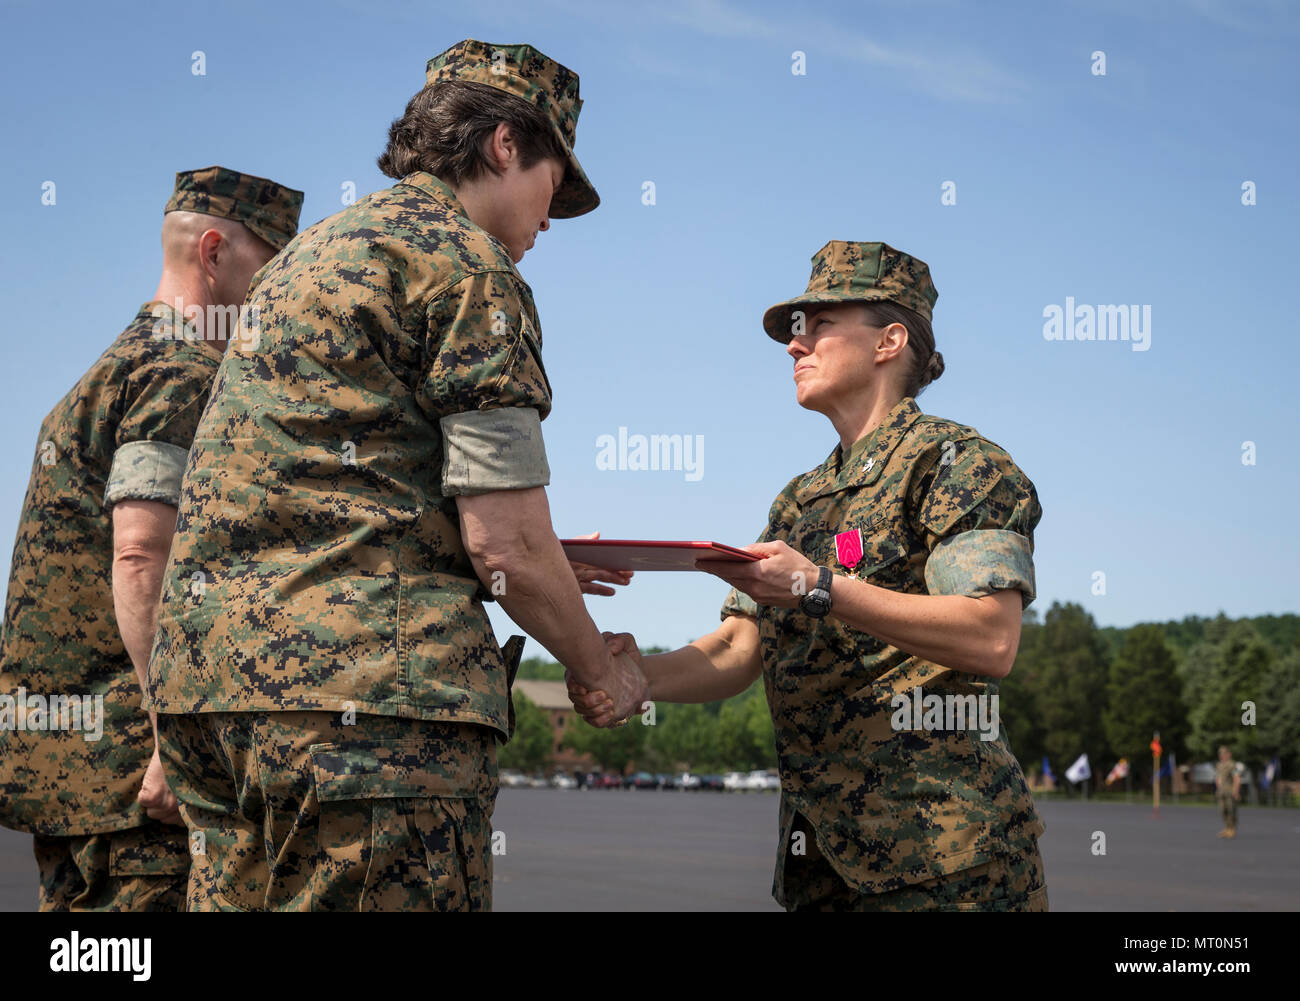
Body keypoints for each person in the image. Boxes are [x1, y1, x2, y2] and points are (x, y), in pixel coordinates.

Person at [144, 40, 646, 912]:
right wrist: (599, 664)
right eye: (552, 183)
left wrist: (539, 557)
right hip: (366, 719)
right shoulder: (466, 266)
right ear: (502, 145)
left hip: (210, 702)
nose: (550, 218)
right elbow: (509, 547)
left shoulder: (303, 261)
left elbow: (333, 492)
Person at [570, 241, 1048, 911]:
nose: (795, 346)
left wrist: (821, 587)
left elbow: (990, 637)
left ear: (890, 340)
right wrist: (634, 675)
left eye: (818, 325)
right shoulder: (799, 501)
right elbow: (739, 648)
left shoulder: (957, 463)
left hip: (948, 865)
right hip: (823, 866)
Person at [0, 166, 302, 910]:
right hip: (141, 779)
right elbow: (142, 553)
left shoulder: (120, 361)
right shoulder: (180, 368)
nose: (278, 296)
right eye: (271, 269)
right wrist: (174, 734)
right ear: (213, 252)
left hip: (81, 769)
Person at [1215, 745, 1241, 838]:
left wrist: (1236, 791)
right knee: (1223, 811)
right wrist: (1218, 787)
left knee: (1231, 810)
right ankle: (1227, 828)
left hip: (1230, 792)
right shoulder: (1219, 765)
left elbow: (1237, 778)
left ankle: (1232, 829)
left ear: (1228, 754)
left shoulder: (1232, 765)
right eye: (1220, 754)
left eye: (1224, 754)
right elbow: (1218, 778)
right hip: (1221, 792)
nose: (1222, 755)